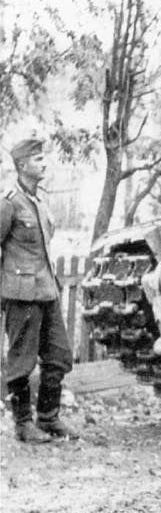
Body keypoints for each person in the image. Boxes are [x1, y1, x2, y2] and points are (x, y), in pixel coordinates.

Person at [2, 138, 77, 443]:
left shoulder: (39, 202)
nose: (44, 163)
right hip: (22, 294)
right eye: (38, 159)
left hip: (47, 290)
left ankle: (49, 418)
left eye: (44, 158)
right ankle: (23, 424)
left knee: (59, 355)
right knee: (22, 361)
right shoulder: (9, 203)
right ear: (22, 166)